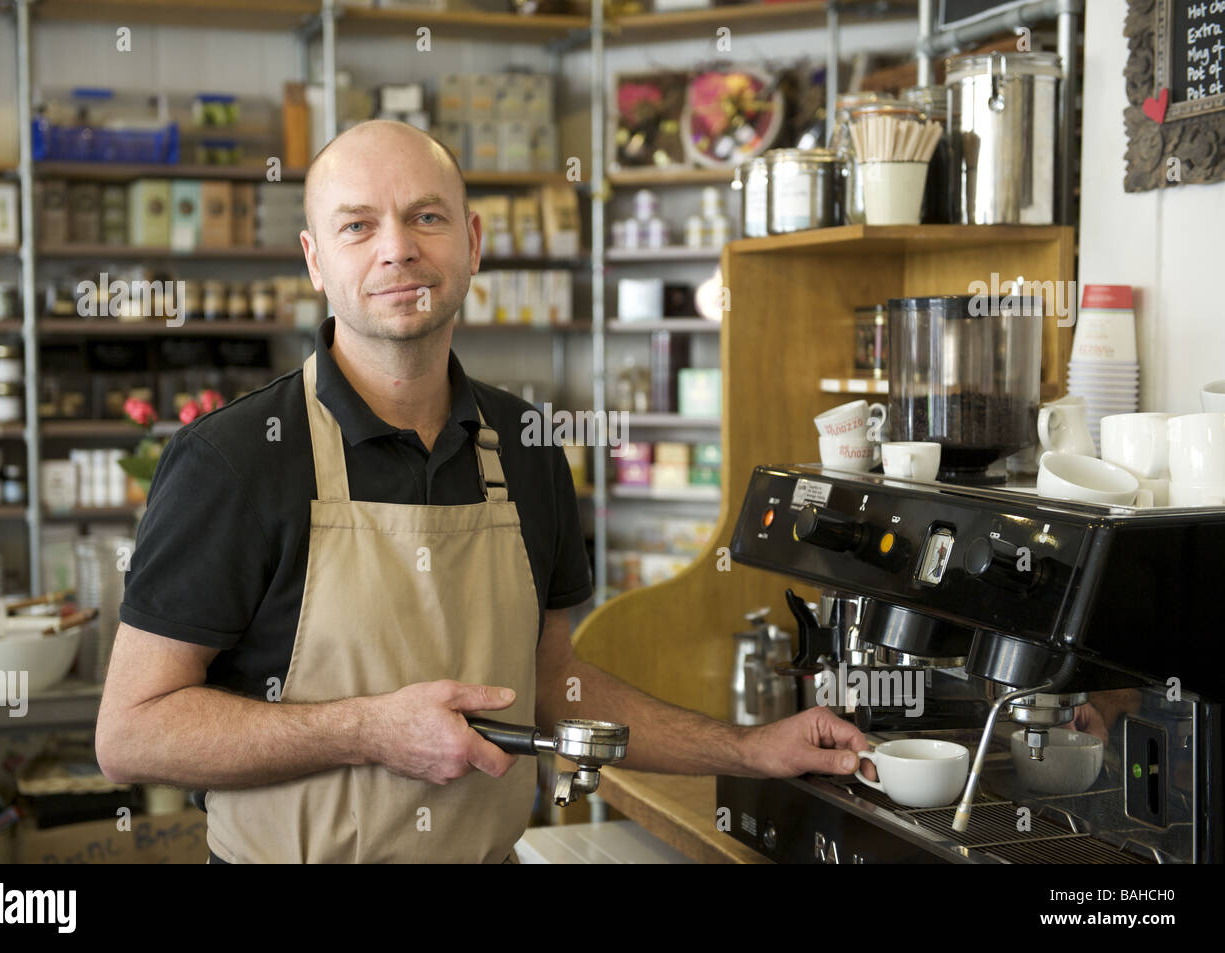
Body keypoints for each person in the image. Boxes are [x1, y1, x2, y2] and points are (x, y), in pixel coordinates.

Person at [95, 119, 870, 863]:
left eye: (425, 217)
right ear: (315, 260)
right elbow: (131, 733)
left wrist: (749, 748)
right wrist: (369, 729)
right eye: (358, 226)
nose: (397, 249)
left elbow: (550, 683)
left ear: (471, 244)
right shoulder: (234, 459)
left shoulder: (529, 448)